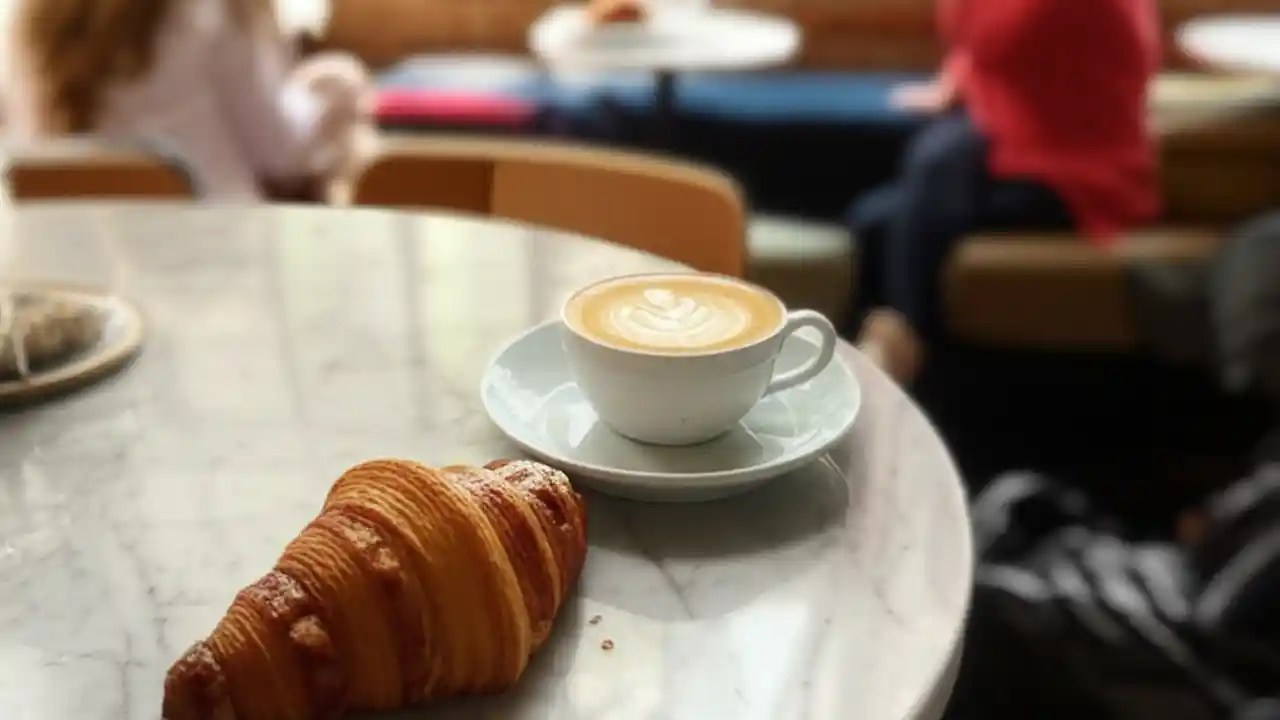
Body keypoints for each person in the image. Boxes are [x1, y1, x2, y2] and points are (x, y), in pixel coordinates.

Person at [850, 0, 1162, 382]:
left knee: (933, 167)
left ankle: (909, 357)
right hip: (1023, 149)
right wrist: (955, 82)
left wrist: (960, 81)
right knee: (876, 217)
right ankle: (888, 360)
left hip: (1081, 172)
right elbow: (981, 49)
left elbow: (992, 34)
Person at [3, 0, 373, 200]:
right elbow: (280, 152)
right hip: (213, 248)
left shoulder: (29, 15)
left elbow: (30, 149)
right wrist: (331, 94)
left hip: (83, 276)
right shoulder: (216, 8)